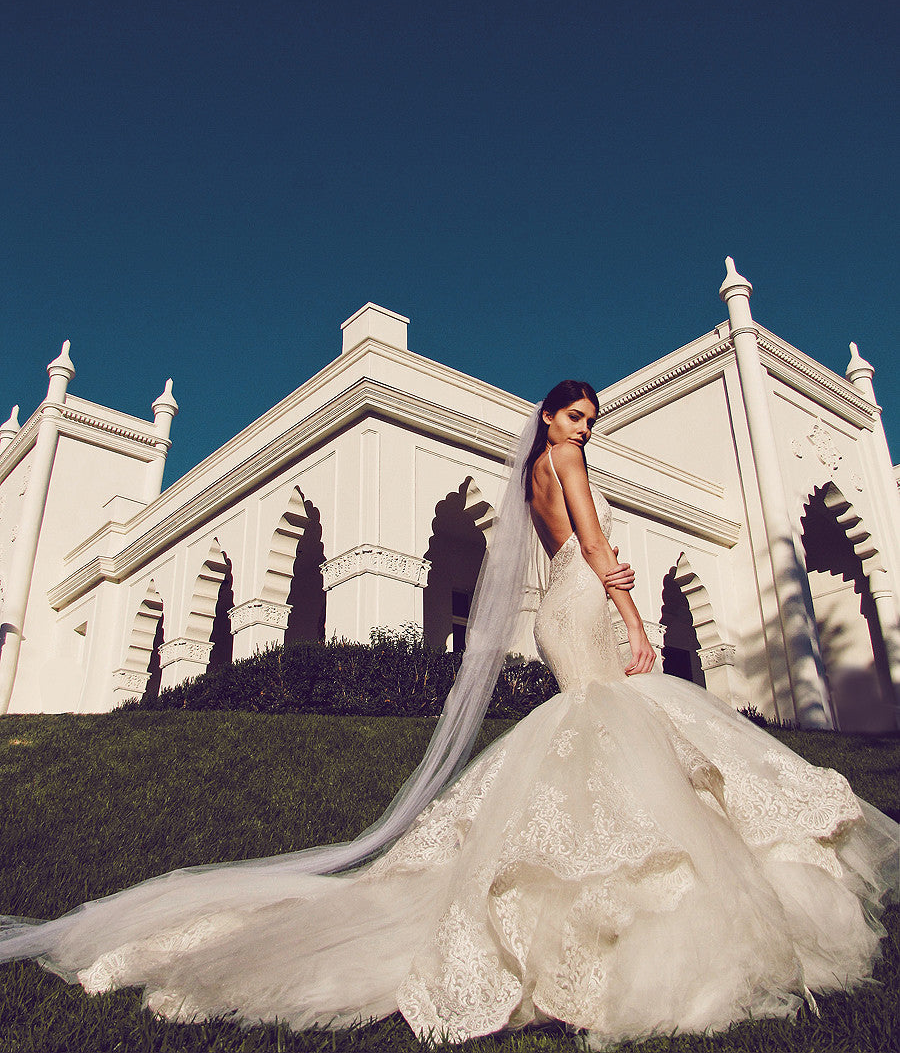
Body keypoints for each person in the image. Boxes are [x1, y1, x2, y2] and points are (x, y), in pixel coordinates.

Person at [1, 382, 897, 1048]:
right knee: (628, 720)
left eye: (591, 422)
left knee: (594, 736)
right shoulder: (568, 464)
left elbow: (562, 541)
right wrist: (632, 616)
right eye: (577, 416)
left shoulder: (531, 471)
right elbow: (594, 543)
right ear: (552, 418)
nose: (586, 430)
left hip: (555, 609)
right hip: (586, 595)